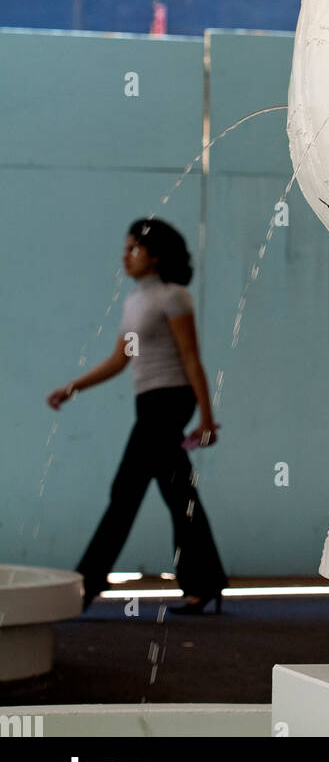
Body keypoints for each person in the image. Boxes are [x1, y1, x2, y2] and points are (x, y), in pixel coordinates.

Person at [47, 218, 227, 614]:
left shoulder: (173, 297)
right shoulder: (134, 302)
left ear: (155, 255)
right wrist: (72, 387)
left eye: (134, 249)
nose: (125, 256)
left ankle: (86, 584)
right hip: (148, 402)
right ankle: (205, 583)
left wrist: (207, 420)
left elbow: (191, 359)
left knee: (125, 492)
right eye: (125, 249)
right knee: (179, 493)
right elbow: (119, 360)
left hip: (171, 401)